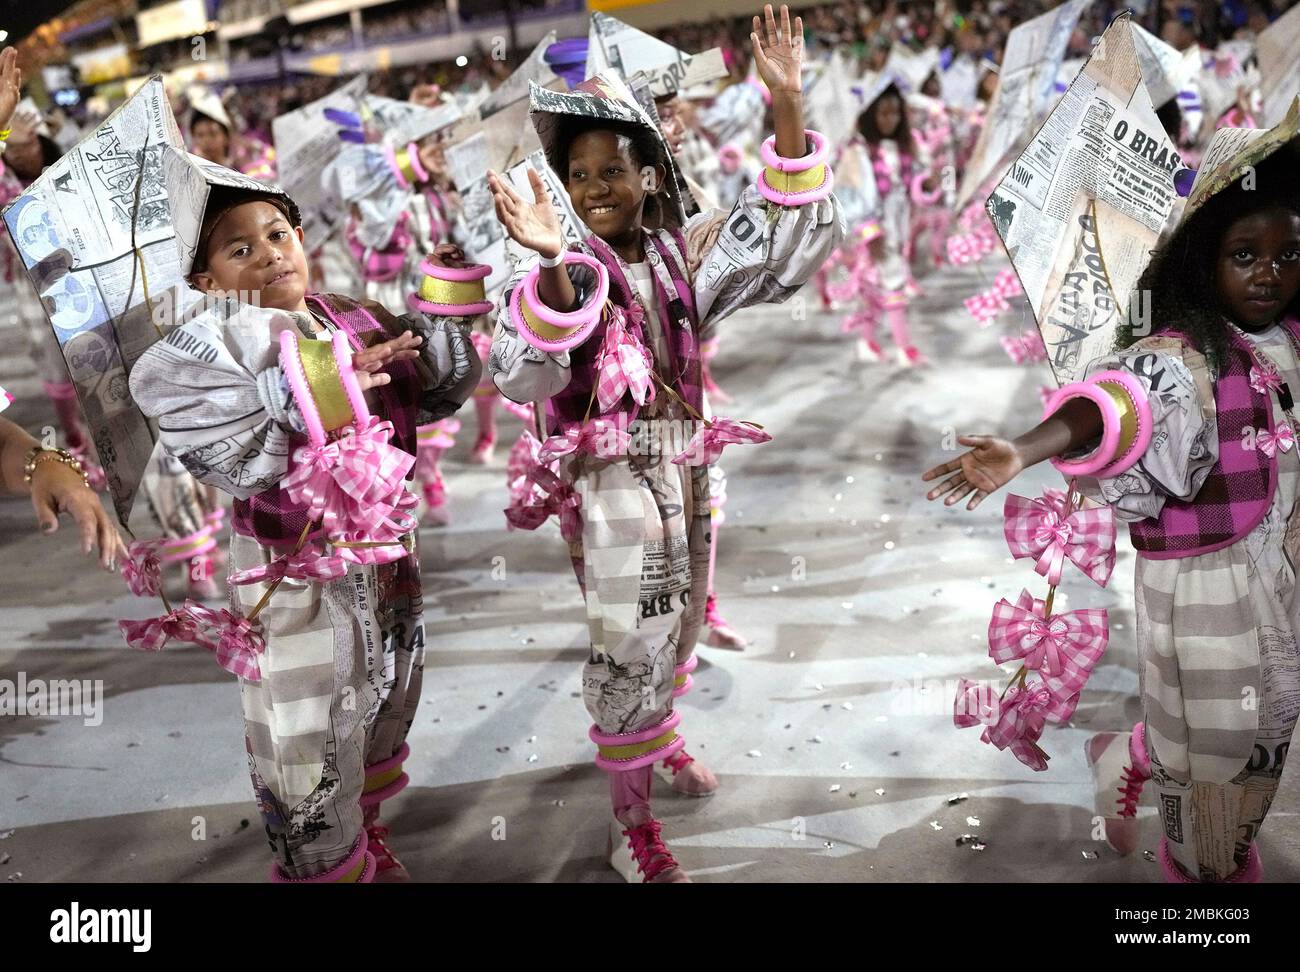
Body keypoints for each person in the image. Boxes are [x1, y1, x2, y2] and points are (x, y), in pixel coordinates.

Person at [485, 4, 842, 882]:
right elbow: (520, 373)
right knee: (633, 641)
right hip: (611, 485)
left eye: (615, 167)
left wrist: (785, 105)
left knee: (679, 631)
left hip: (684, 462)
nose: (596, 185)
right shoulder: (546, 268)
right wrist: (553, 263)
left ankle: (660, 739)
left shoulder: (680, 253)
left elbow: (783, 242)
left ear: (651, 176)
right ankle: (630, 823)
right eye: (578, 173)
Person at [921, 131, 1300, 883]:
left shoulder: (1291, 337)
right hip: (1203, 590)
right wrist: (1025, 449)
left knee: (1270, 724)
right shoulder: (1180, 354)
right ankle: (1203, 870)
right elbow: (1115, 405)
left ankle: (1137, 764)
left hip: (1280, 572)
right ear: (1204, 263)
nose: (1270, 273)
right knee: (1220, 751)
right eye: (1244, 255)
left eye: (1289, 254)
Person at [130, 152, 480, 883]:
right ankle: (325, 862)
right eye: (240, 249)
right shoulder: (201, 354)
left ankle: (367, 834)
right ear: (206, 282)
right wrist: (323, 382)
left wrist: (446, 300)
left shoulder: (353, 313)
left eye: (279, 234)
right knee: (306, 746)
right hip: (294, 586)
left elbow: (435, 389)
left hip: (385, 561)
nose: (269, 256)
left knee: (382, 704)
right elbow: (239, 460)